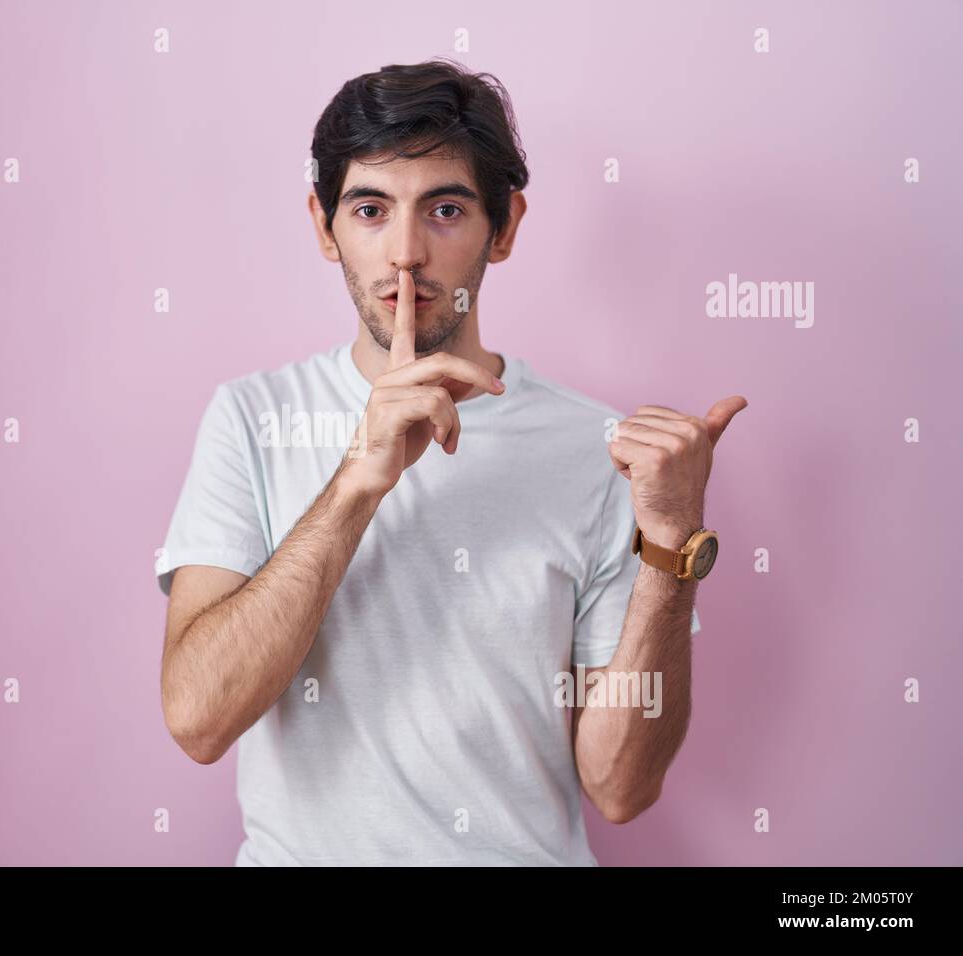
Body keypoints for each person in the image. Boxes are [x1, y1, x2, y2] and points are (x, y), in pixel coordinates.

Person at [155, 58, 746, 865]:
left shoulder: (601, 452)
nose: (405, 254)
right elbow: (198, 718)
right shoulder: (253, 420)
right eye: (369, 208)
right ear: (324, 228)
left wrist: (672, 552)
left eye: (444, 209)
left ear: (503, 229)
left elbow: (620, 788)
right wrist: (359, 480)